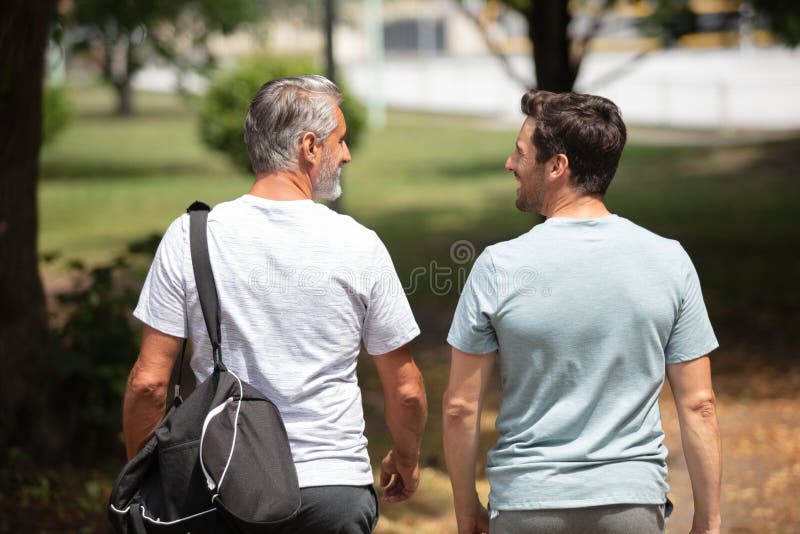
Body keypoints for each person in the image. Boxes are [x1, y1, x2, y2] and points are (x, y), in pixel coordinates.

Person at [123, 75, 427, 533]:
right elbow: (405, 389)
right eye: (340, 141)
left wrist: (147, 484)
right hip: (333, 492)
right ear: (310, 147)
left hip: (225, 490)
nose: (346, 154)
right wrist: (406, 458)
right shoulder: (359, 245)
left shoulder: (191, 237)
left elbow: (148, 384)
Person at [442, 90, 721, 534]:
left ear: (557, 166)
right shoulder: (670, 261)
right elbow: (699, 404)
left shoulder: (498, 266)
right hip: (631, 502)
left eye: (520, 153)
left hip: (528, 503)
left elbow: (460, 407)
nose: (510, 164)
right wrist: (708, 520)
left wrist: (465, 509)